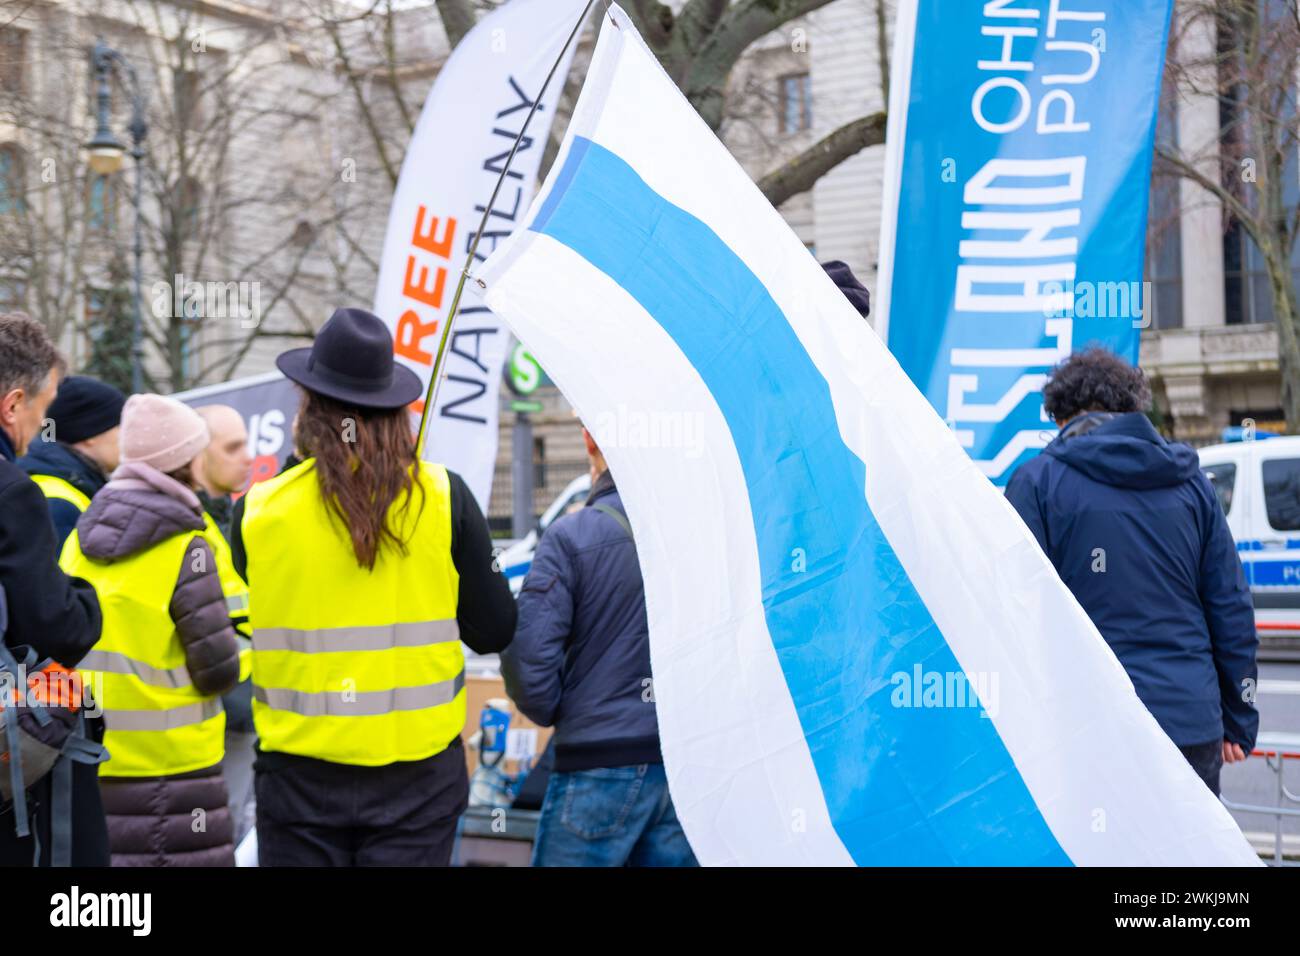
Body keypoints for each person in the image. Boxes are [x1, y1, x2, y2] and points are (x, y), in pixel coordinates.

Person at [231, 307, 516, 867]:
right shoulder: (444, 497)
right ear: (395, 410)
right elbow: (495, 629)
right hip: (418, 784)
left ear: (307, 407)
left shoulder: (259, 511)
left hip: (300, 782)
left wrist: (300, 459)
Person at [1005, 347, 1259, 795]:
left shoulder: (1038, 483)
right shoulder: (1192, 483)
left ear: (1062, 417)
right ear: (1131, 407)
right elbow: (1229, 604)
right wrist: (1238, 717)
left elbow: (1015, 610)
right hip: (1189, 721)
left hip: (1086, 725)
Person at [502, 422, 697, 867]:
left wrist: (566, 712)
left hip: (595, 765)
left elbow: (529, 664)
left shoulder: (570, 538)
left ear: (589, 441)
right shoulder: (694, 540)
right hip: (684, 770)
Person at [61, 394, 243, 866]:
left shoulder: (80, 537)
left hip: (89, 756)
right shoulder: (190, 545)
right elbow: (218, 671)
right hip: (174, 768)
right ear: (183, 461)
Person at [0, 312, 105, 866]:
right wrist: (85, 597)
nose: (45, 425)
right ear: (13, 405)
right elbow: (56, 625)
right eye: (45, 408)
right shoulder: (11, 492)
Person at [19, 375, 126, 549]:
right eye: (120, 426)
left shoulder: (63, 483)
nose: (125, 437)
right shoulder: (59, 504)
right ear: (91, 431)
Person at [192, 404, 253, 541]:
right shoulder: (182, 531)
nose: (248, 458)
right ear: (198, 454)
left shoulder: (242, 519)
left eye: (245, 445)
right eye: (233, 448)